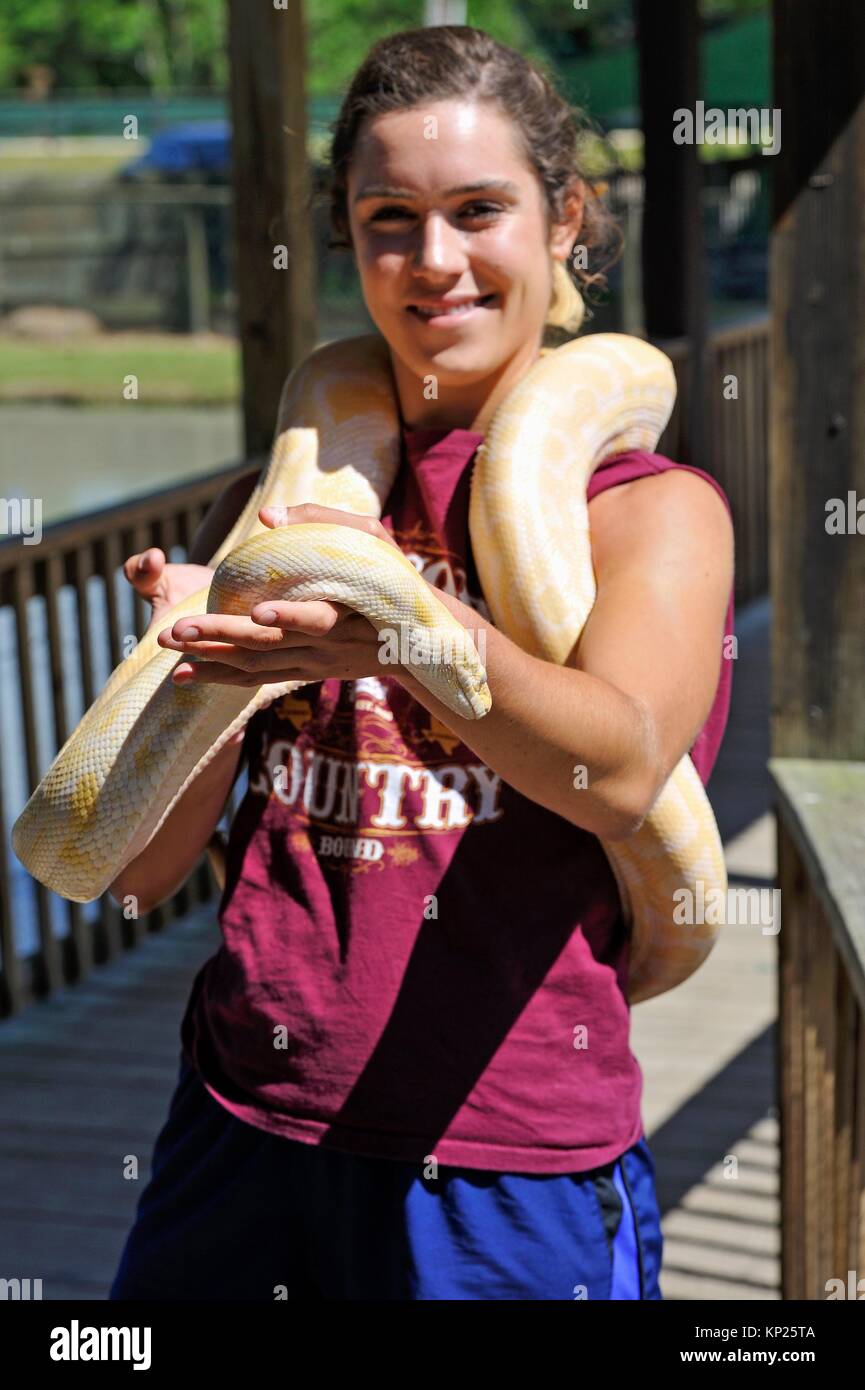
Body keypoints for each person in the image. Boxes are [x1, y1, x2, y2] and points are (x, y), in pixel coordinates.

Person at [108, 25, 734, 1301]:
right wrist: (199, 670)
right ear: (345, 231)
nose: (433, 261)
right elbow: (133, 864)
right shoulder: (283, 499)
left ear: (566, 219)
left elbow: (616, 773)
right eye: (390, 217)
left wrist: (403, 634)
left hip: (510, 1162)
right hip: (244, 1118)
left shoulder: (647, 510)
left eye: (478, 210)